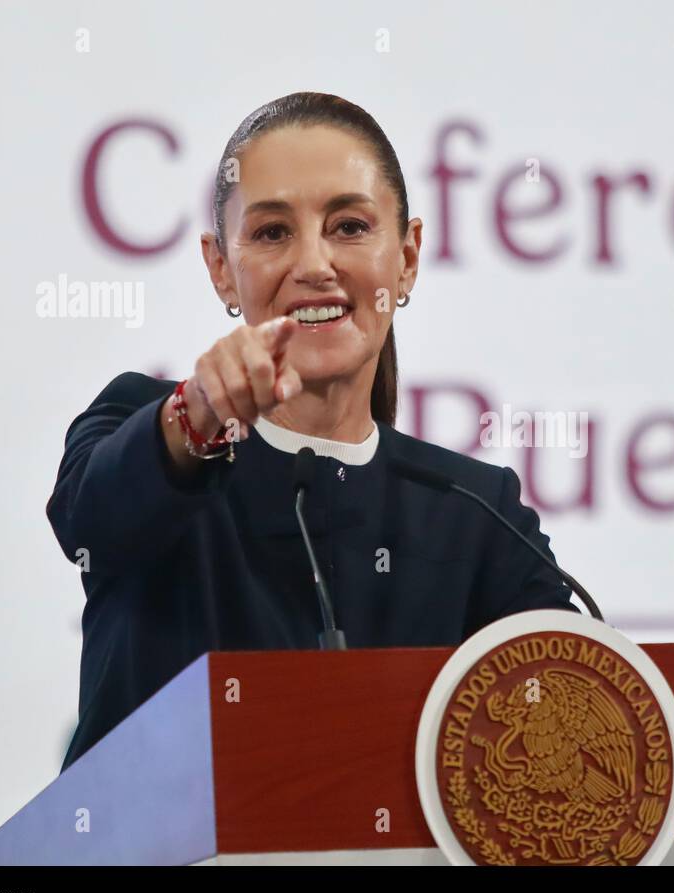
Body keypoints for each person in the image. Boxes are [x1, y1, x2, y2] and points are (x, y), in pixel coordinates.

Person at [46, 92, 577, 772]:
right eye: (272, 233)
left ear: (408, 256)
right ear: (219, 268)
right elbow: (91, 520)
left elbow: (578, 702)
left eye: (350, 226)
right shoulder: (143, 425)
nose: (314, 264)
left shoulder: (472, 511)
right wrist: (199, 413)